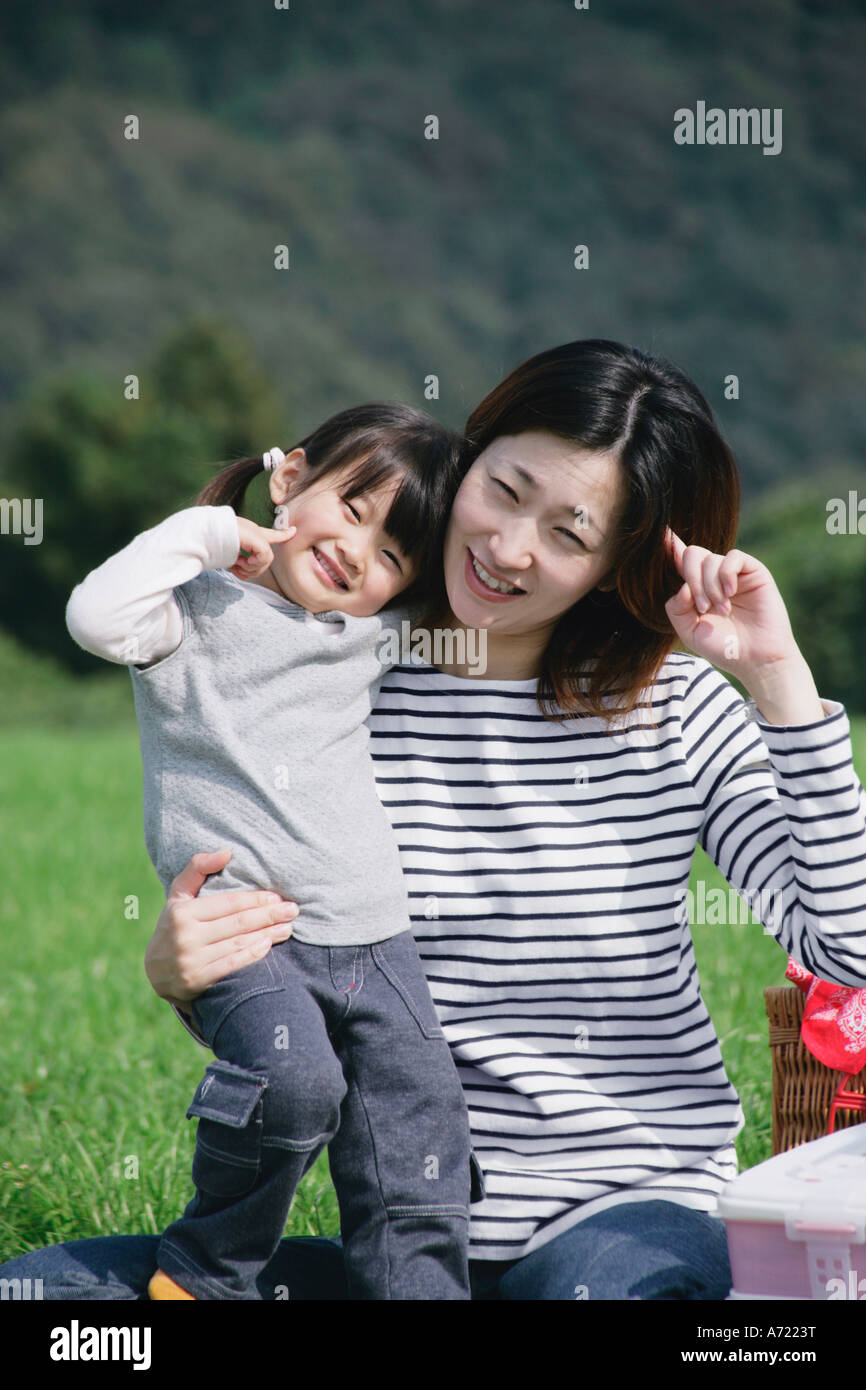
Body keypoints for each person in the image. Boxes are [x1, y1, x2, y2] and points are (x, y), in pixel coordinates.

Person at [5, 339, 866, 1300]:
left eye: (569, 535)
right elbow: (302, 1004)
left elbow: (849, 953)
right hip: (405, 1248)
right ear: (468, 460)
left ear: (610, 566)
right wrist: (185, 976)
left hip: (624, 1222)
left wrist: (779, 681)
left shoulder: (678, 712)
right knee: (45, 1296)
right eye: (504, 490)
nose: (509, 547)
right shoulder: (336, 679)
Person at [60, 403, 475, 1301]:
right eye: (353, 511)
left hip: (380, 942)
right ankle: (204, 1275)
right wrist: (211, 533)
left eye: (393, 556)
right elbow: (92, 616)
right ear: (288, 478)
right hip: (252, 936)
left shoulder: (372, 633)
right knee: (290, 1084)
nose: (358, 554)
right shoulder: (190, 613)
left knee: (420, 1120)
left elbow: (487, 614)